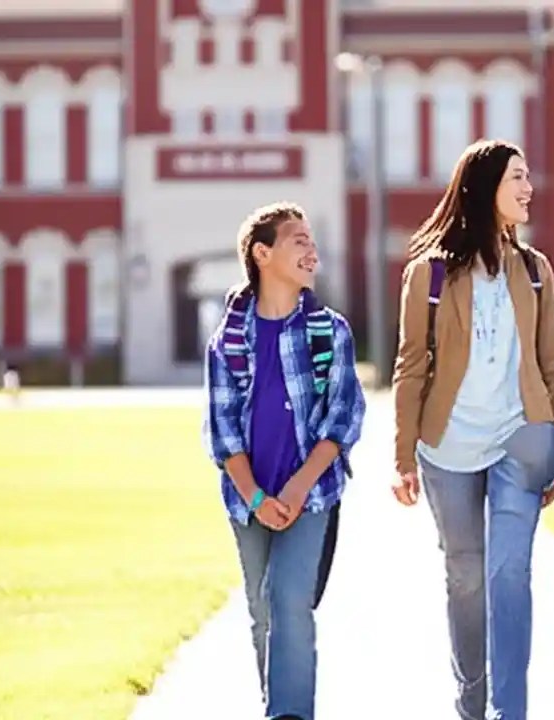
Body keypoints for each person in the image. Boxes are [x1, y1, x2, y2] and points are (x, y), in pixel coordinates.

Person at [391, 139, 554, 720]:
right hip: (448, 447)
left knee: (509, 572)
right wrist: (403, 457)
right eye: (516, 177)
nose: (528, 187)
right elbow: (411, 365)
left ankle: (508, 710)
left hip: (520, 439)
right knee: (465, 577)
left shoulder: (536, 270)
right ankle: (472, 701)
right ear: (484, 187)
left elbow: (551, 362)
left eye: (528, 175)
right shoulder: (430, 274)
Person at [202, 201, 367, 720]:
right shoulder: (229, 339)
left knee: (290, 601)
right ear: (262, 253)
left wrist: (297, 489)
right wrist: (255, 495)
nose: (311, 249)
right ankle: (277, 705)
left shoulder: (329, 331)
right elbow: (222, 430)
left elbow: (343, 418)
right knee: (261, 610)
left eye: (313, 241)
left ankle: (289, 713)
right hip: (248, 496)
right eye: (299, 239)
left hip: (312, 494)